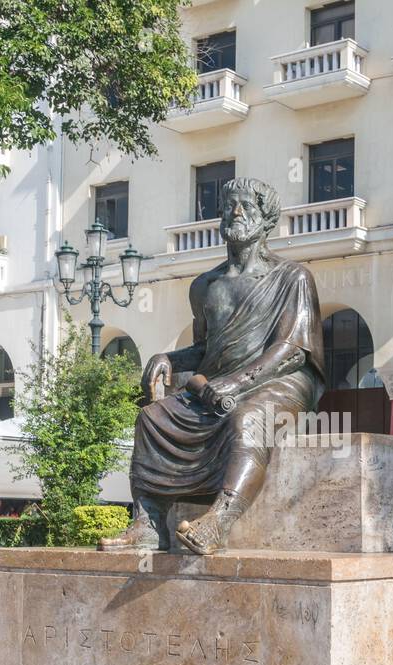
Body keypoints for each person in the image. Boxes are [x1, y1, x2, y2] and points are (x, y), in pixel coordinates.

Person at [100, 177, 325, 555]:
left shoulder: (292, 277)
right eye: (228, 206)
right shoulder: (205, 285)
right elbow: (206, 348)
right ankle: (148, 523)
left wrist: (238, 384)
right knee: (151, 418)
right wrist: (168, 359)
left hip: (281, 379)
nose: (235, 213)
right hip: (220, 382)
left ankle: (219, 521)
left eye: (247, 207)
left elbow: (292, 349)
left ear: (267, 219)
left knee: (248, 419)